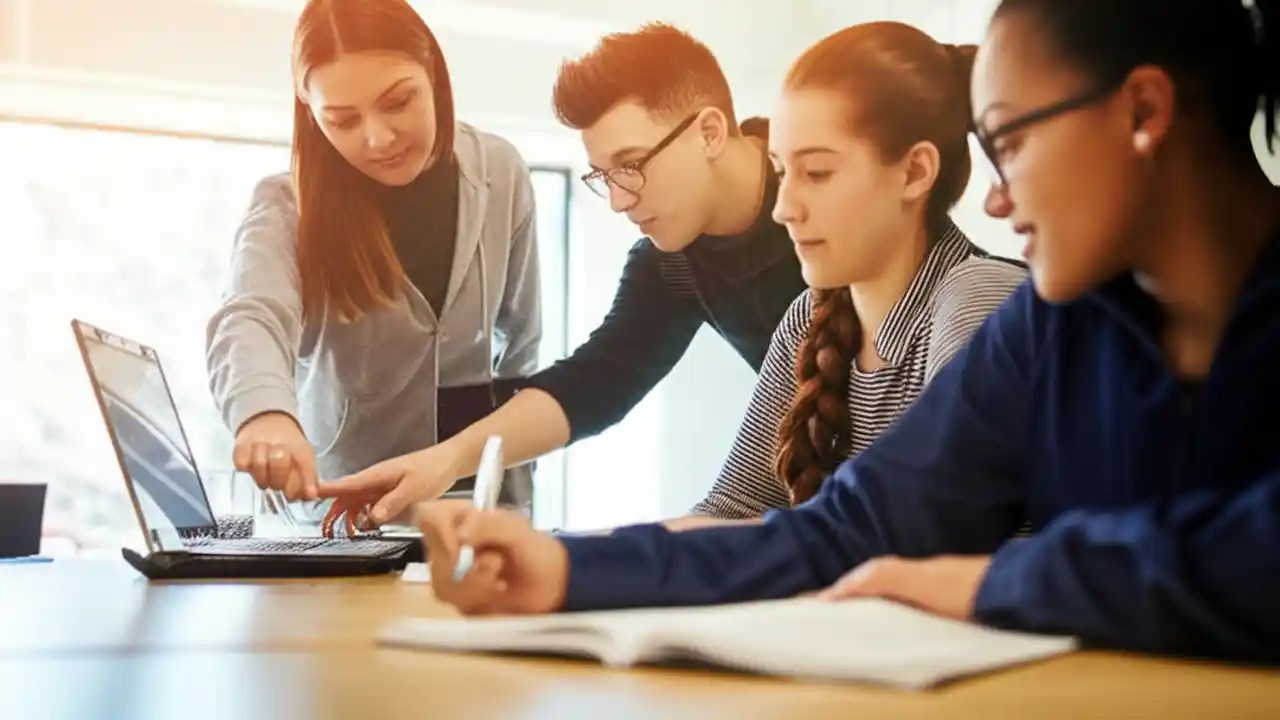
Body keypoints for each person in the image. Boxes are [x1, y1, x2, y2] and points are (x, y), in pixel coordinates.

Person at [417, 0, 1280, 663]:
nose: (998, 199)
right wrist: (568, 571)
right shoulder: (1046, 332)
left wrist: (995, 582)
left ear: (1143, 112)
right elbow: (845, 528)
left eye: (1010, 143)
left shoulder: (985, 300)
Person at [318, 24, 807, 526]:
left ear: (709, 132)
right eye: (603, 177)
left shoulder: (828, 209)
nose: (619, 201)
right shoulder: (669, 261)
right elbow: (595, 382)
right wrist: (445, 461)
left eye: (632, 164)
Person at [672, 27, 1024, 527]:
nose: (784, 209)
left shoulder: (978, 297)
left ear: (915, 172)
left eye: (816, 173)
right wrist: (570, 557)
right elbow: (729, 513)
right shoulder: (808, 320)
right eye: (781, 172)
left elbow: (928, 532)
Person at [205, 0, 541, 520]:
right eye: (341, 120)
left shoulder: (502, 169)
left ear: (432, 70)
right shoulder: (285, 204)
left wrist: (517, 486)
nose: (378, 138)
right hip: (346, 514)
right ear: (310, 112)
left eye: (399, 101)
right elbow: (251, 316)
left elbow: (520, 343)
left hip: (482, 508)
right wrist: (265, 414)